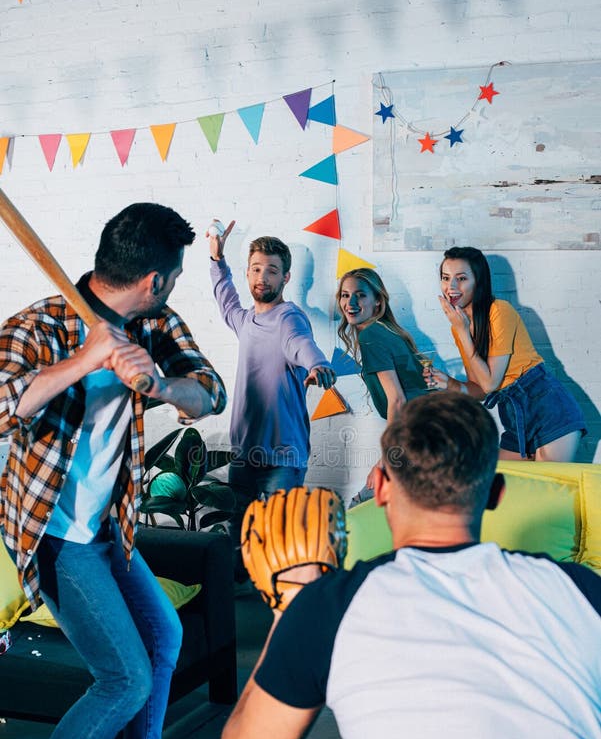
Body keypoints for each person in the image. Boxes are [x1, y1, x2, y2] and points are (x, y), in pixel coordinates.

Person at [219, 391, 601, 739]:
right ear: (495, 493)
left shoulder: (332, 608)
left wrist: (291, 610)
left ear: (378, 486)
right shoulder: (581, 592)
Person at [0, 203, 228, 739]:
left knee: (162, 636)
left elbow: (209, 394)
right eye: (179, 275)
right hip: (53, 539)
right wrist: (85, 360)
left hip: (112, 529)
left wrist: (160, 384)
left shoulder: (155, 327)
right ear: (156, 278)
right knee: (124, 676)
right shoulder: (38, 325)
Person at [207, 222, 336, 563]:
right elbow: (226, 299)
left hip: (283, 455)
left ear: (286, 278)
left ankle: (286, 605)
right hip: (245, 452)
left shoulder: (288, 318)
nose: (262, 276)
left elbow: (301, 344)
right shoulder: (245, 320)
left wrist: (317, 365)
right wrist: (217, 260)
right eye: (256, 269)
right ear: (248, 273)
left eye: (272, 270)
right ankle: (234, 601)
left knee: (282, 541)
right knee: (238, 536)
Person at [430, 245, 586, 461]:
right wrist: (448, 383)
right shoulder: (460, 326)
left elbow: (490, 384)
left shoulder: (499, 311)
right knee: (495, 479)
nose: (451, 286)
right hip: (515, 418)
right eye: (445, 278)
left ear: (478, 281)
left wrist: (463, 332)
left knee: (546, 489)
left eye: (461, 278)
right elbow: (480, 390)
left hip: (549, 409)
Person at [336, 267, 428, 495]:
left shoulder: (371, 336)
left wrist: (386, 459)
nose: (351, 302)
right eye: (345, 295)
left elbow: (397, 400)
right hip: (430, 429)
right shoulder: (387, 330)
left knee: (366, 504)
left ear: (378, 301)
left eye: (361, 295)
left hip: (418, 434)